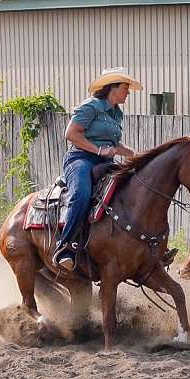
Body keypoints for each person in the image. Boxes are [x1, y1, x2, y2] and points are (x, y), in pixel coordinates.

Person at [52, 67, 141, 271]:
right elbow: (71, 133)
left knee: (133, 187)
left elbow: (113, 145)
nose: (128, 92)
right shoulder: (91, 106)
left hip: (103, 162)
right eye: (125, 88)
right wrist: (98, 150)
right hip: (80, 159)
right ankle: (65, 248)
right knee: (81, 195)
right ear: (113, 88)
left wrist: (134, 155)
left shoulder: (116, 113)